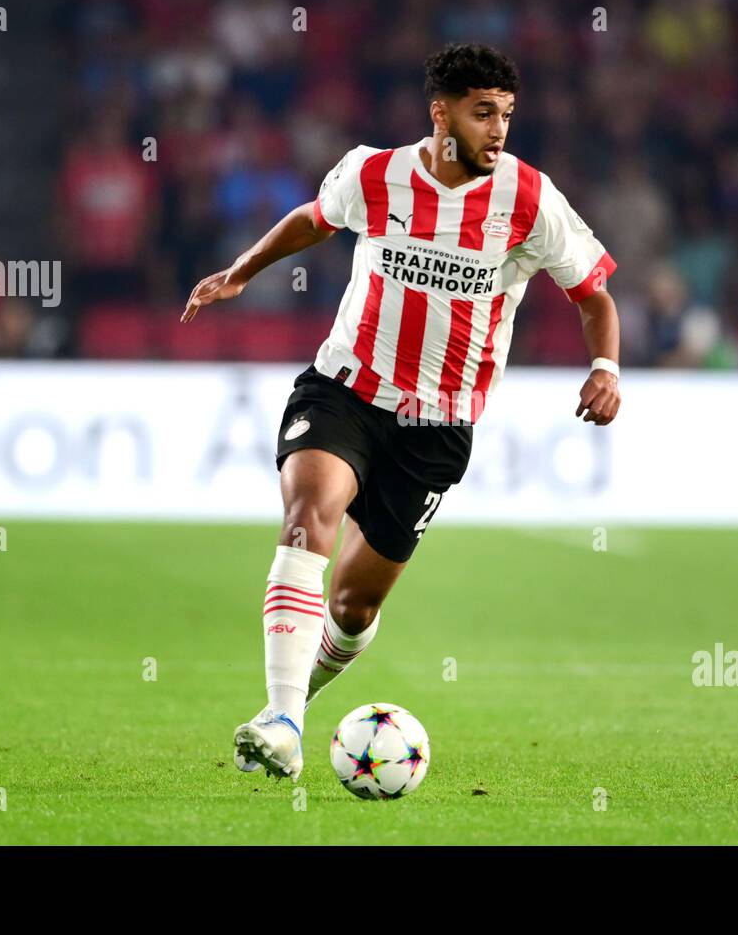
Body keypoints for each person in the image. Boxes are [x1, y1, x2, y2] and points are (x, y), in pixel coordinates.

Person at [182, 43, 622, 782]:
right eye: (484, 113)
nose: (498, 129)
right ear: (440, 112)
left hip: (437, 428)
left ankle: (289, 706)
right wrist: (242, 270)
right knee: (307, 517)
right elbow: (314, 220)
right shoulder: (374, 172)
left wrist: (605, 366)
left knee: (353, 606)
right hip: (346, 390)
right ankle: (285, 721)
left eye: (507, 115)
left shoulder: (529, 199)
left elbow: (594, 295)